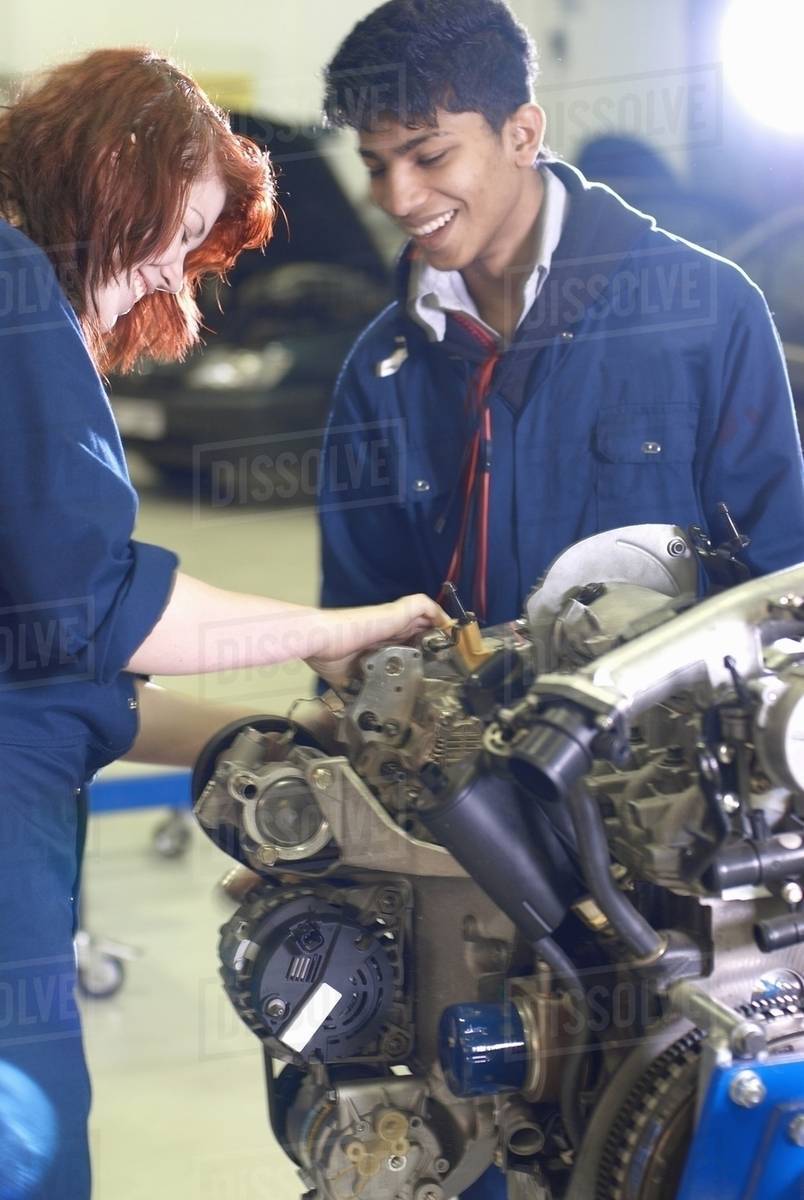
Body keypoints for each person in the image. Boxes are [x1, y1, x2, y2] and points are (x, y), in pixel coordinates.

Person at [0, 48, 444, 1200]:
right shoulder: (13, 293)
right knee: (26, 1145)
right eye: (169, 230)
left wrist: (269, 736)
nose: (162, 270)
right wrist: (348, 628)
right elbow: (105, 613)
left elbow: (53, 674)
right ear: (110, 170)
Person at [318, 0, 804, 632]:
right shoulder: (381, 368)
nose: (398, 198)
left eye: (429, 156)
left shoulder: (708, 313)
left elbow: (780, 587)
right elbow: (359, 625)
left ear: (522, 134)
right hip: (459, 731)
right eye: (376, 166)